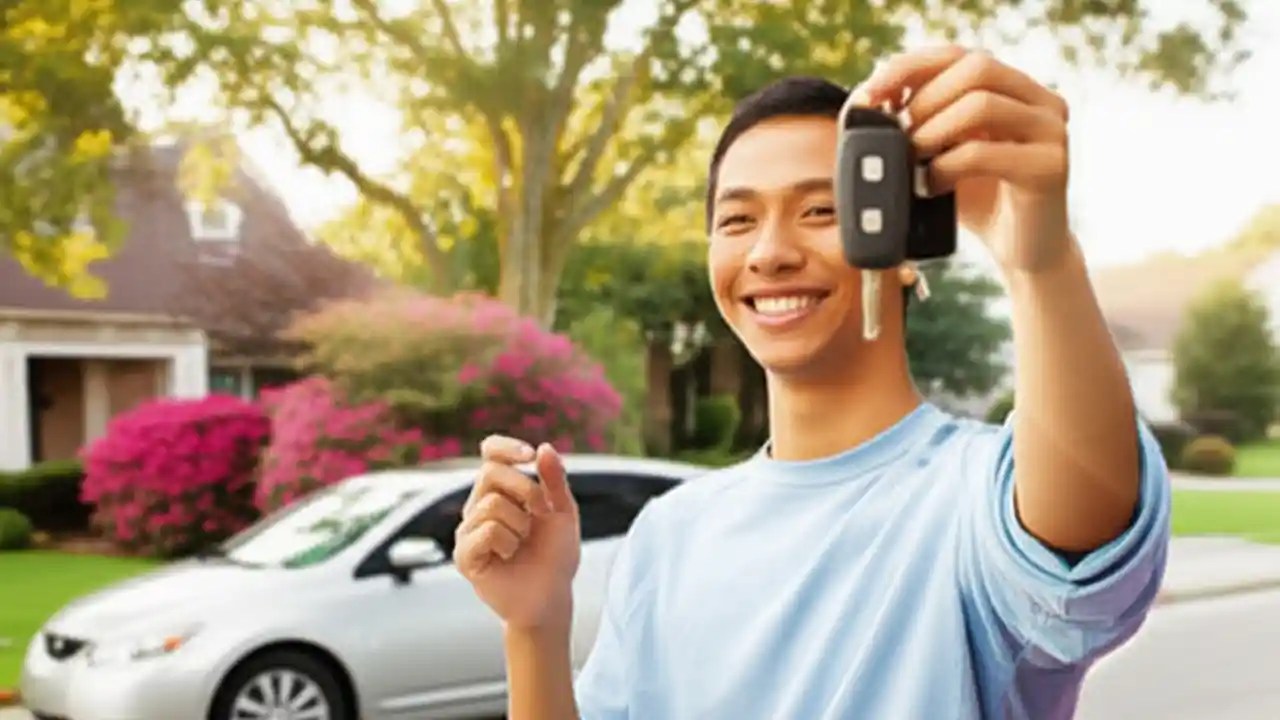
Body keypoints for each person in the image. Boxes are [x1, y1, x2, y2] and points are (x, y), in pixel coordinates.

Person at [453, 45, 1171, 720]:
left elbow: (1081, 540)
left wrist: (1037, 260)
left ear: (905, 248)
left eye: (822, 210)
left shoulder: (978, 497)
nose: (769, 252)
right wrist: (535, 627)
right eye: (737, 219)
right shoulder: (668, 537)